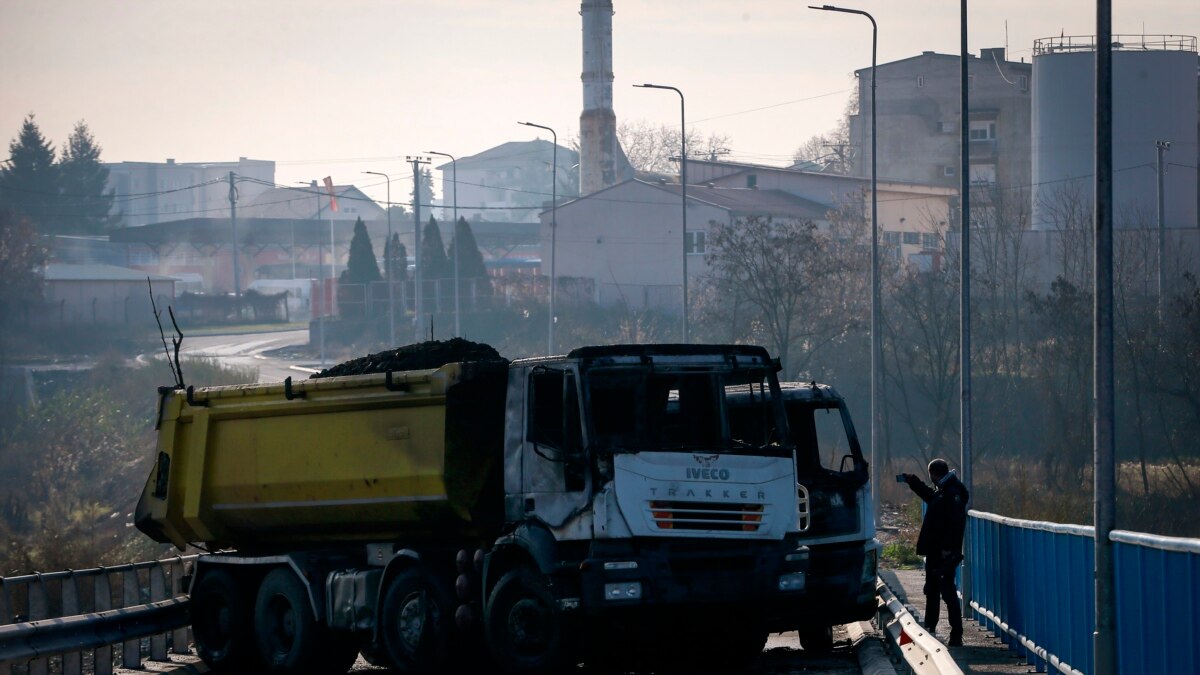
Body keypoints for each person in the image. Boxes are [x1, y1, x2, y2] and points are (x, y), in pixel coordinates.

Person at [900, 458, 969, 646]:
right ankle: (930, 628)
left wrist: (948, 548)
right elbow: (931, 496)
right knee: (932, 589)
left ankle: (956, 634)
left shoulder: (952, 493)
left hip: (944, 553)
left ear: (934, 474)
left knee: (946, 591)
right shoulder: (945, 490)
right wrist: (913, 481)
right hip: (936, 551)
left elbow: (955, 524)